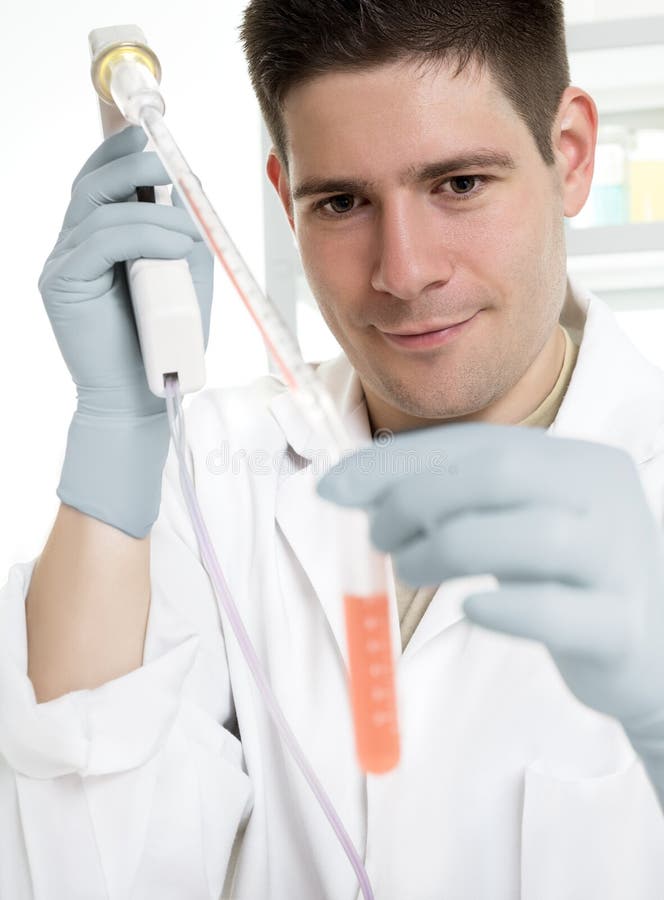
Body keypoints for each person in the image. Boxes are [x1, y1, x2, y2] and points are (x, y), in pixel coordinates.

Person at [1, 0, 663, 897]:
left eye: (460, 183)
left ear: (572, 155)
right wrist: (114, 436)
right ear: (284, 198)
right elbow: (89, 871)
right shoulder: (211, 468)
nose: (404, 270)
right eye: (342, 202)